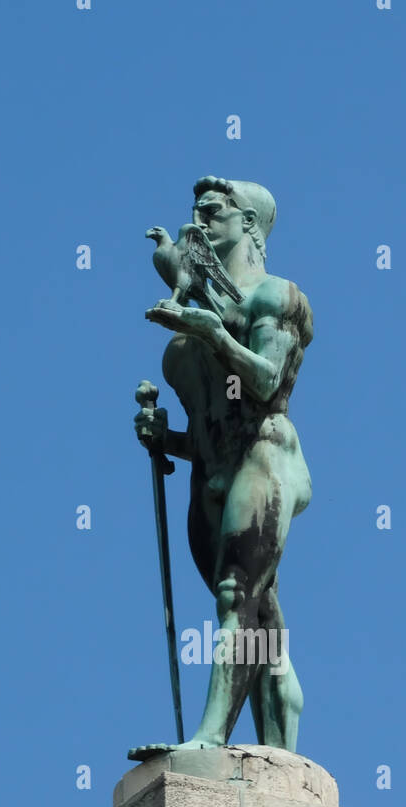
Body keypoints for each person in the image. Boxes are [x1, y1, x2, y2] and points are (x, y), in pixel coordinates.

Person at [130, 176, 313, 761]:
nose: (199, 223)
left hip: (265, 457)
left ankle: (209, 739)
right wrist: (167, 440)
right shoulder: (190, 328)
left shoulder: (275, 298)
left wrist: (215, 334)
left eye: (212, 213)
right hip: (210, 475)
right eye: (196, 213)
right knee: (261, 620)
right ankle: (280, 755)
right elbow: (209, 429)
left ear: (250, 225)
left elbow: (263, 383)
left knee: (237, 596)